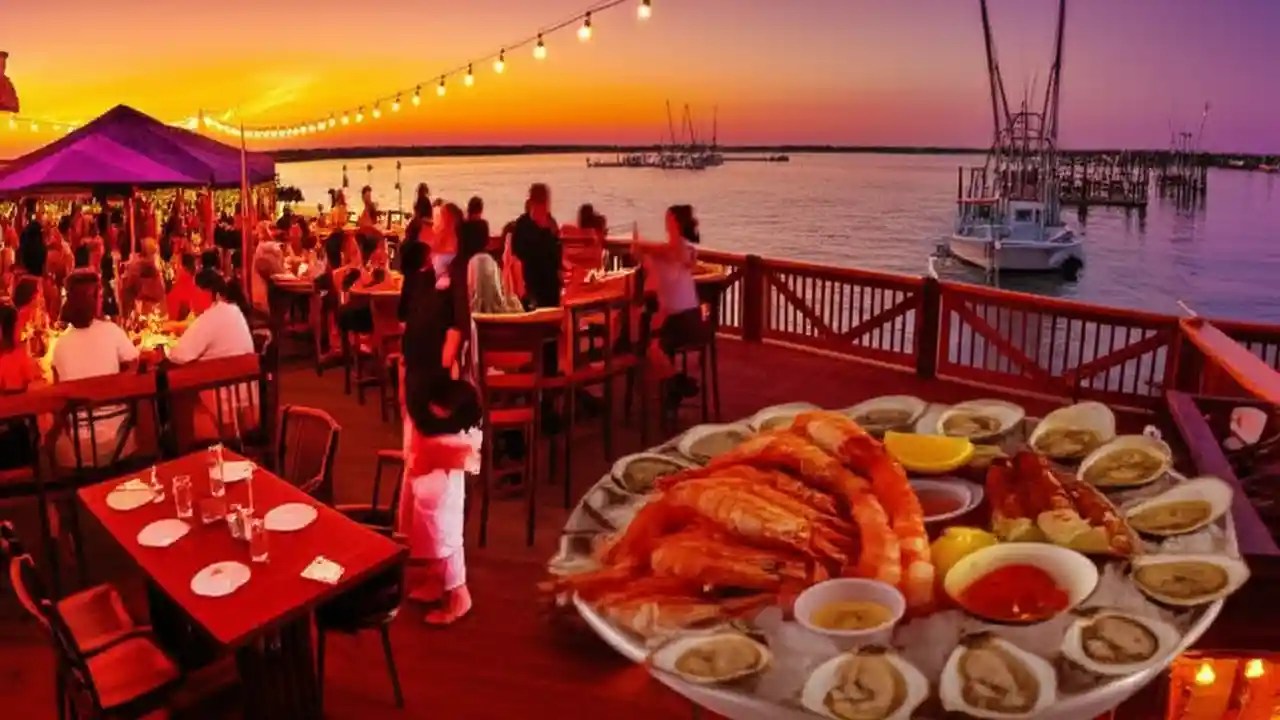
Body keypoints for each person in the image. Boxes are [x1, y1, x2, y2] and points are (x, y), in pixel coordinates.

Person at [398, 210, 478, 623]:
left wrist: (443, 361)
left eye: (441, 225)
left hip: (439, 401)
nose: (432, 229)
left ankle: (457, 590)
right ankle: (435, 574)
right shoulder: (431, 275)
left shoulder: (461, 280)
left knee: (439, 494)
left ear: (455, 237)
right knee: (419, 489)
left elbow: (459, 334)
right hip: (417, 392)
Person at [51, 271, 141, 467]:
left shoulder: (59, 346)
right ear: (93, 301)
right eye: (100, 296)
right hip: (118, 433)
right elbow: (136, 365)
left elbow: (58, 392)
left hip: (78, 441)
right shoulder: (111, 332)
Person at [633, 205, 705, 406]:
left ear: (674, 221)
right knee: (651, 345)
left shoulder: (680, 249)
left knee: (651, 347)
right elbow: (648, 258)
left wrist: (641, 245)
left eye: (668, 218)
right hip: (692, 320)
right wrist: (639, 250)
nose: (665, 221)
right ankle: (673, 388)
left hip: (682, 320)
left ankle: (674, 383)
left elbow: (670, 252)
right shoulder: (673, 252)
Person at [169, 269, 254, 364]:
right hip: (245, 375)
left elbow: (178, 355)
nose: (191, 300)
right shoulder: (234, 310)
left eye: (196, 293)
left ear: (215, 295)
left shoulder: (209, 316)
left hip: (223, 376)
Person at [0, 304, 44, 472]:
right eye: (19, 324)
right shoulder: (13, 358)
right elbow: (16, 403)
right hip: (9, 437)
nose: (23, 328)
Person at [510, 183, 562, 310]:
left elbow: (557, 255)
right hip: (531, 288)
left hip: (551, 286)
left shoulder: (551, 223)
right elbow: (517, 258)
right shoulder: (522, 226)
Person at [167, 253, 209, 321]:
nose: (174, 268)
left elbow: (173, 318)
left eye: (177, 265)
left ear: (184, 268)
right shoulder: (198, 285)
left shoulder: (179, 288)